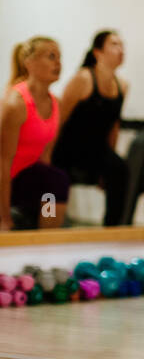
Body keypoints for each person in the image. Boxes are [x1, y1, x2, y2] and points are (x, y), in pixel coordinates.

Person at [53, 30, 128, 226]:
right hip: (68, 148)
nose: (120, 50)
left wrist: (110, 157)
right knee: (51, 179)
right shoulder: (83, 79)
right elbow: (58, 119)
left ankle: (112, 228)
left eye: (122, 45)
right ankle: (47, 222)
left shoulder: (123, 85)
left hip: (95, 151)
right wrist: (46, 155)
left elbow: (114, 126)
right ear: (97, 52)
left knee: (119, 169)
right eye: (114, 44)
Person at [1, 37, 70, 230]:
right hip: (7, 181)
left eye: (59, 57)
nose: (58, 64)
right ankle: (46, 236)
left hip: (27, 180)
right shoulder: (16, 104)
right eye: (51, 57)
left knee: (54, 181)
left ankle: (47, 235)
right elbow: (3, 163)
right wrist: (4, 218)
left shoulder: (56, 103)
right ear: (29, 63)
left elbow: (45, 157)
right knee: (55, 180)